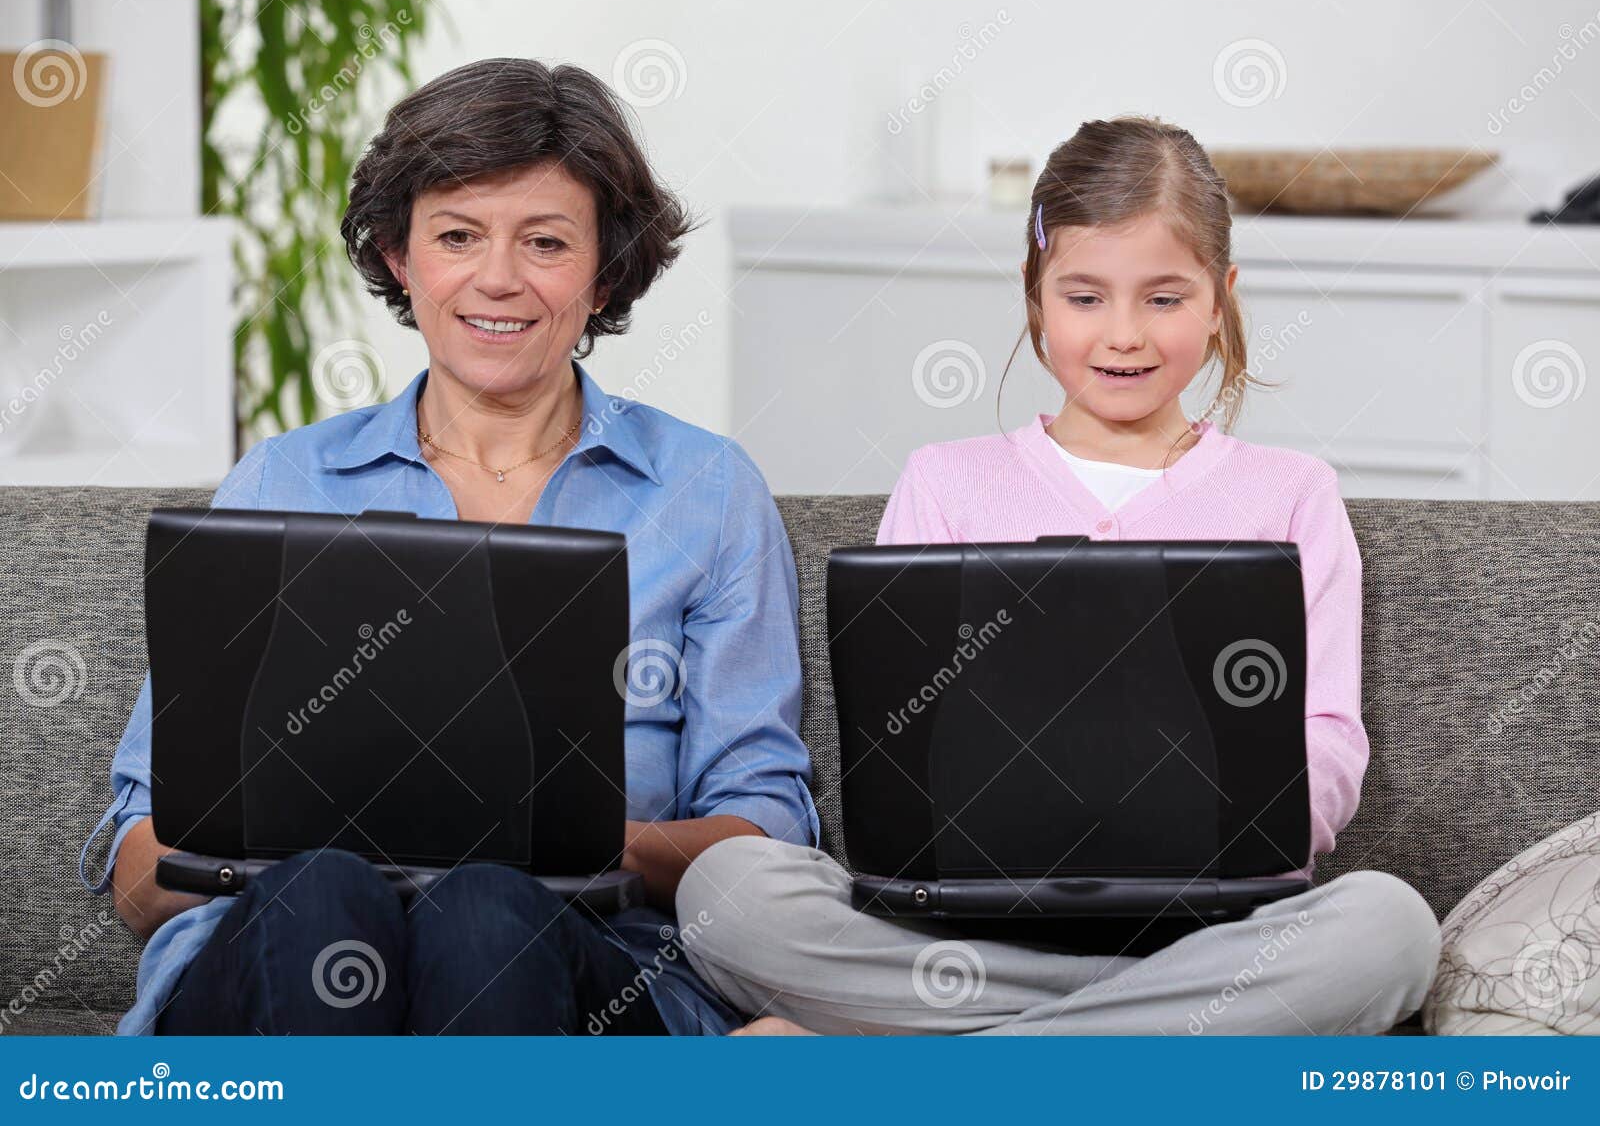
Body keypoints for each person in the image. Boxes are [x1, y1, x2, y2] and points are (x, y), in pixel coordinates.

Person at [78, 57, 818, 1036]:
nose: (498, 278)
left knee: (487, 907)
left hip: (584, 966)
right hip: (277, 956)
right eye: (457, 236)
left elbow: (765, 831)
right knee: (325, 894)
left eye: (545, 241)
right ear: (399, 255)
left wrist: (597, 843)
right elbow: (138, 860)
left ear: (603, 272)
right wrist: (270, 853)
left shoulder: (706, 491)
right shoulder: (282, 484)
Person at [677, 115, 1441, 1036]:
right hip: (968, 938)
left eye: (1164, 298)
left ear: (1221, 299)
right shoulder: (945, 481)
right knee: (728, 886)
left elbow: (1326, 738)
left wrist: (1232, 814)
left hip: (1208, 937)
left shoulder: (1291, 494)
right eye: (1085, 297)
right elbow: (891, 743)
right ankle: (1109, 1046)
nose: (1124, 334)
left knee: (1391, 927)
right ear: (1035, 299)